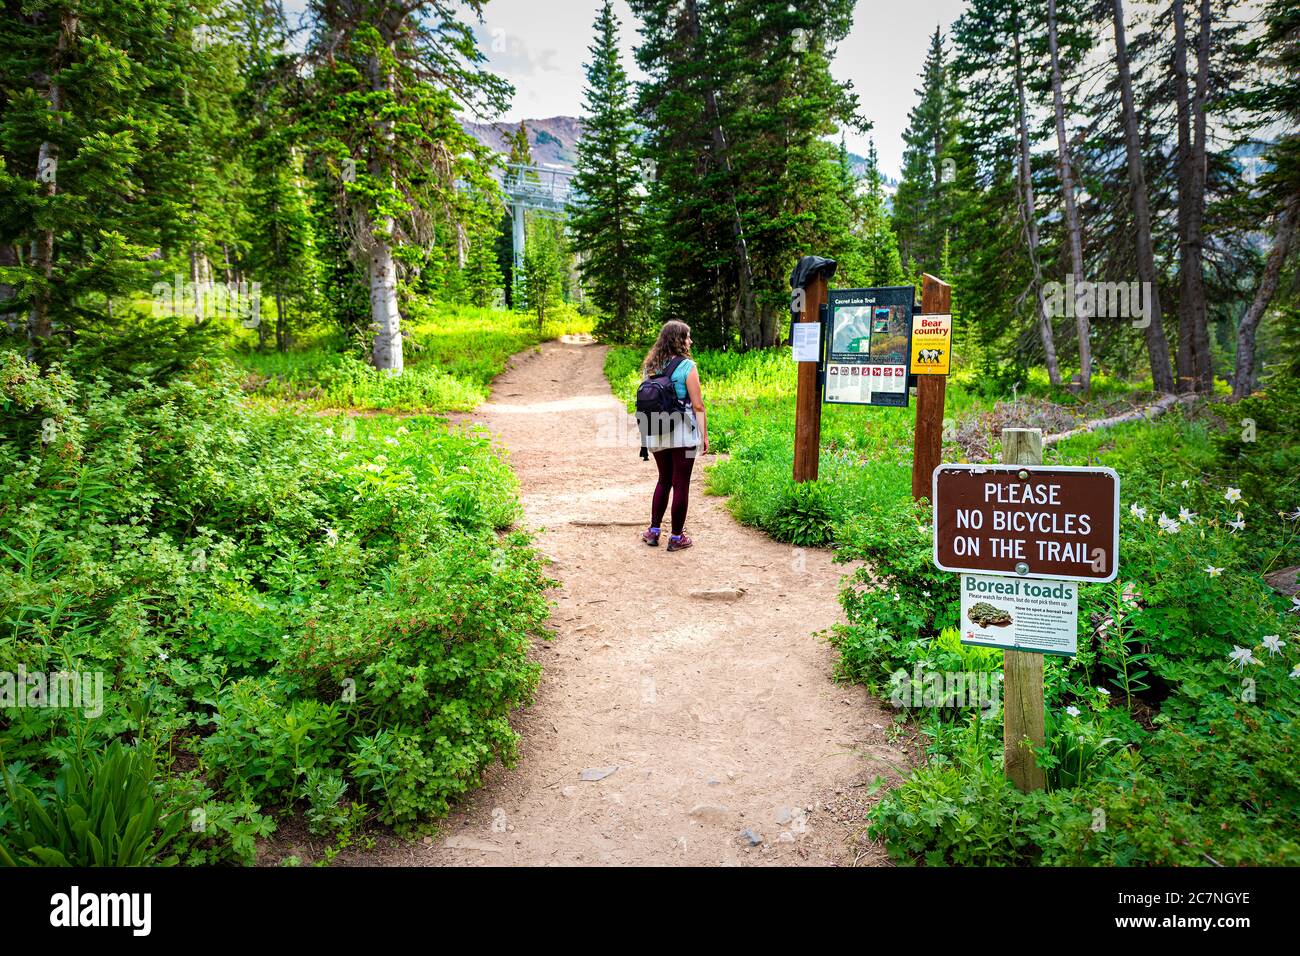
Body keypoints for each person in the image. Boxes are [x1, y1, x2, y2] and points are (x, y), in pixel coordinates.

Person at [639, 320, 708, 552]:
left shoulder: (651, 365)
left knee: (663, 480)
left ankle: (654, 530)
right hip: (684, 433)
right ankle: (677, 537)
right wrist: (704, 435)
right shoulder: (687, 366)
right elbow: (698, 406)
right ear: (679, 339)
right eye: (687, 337)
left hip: (656, 430)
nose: (690, 341)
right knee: (681, 485)